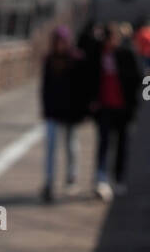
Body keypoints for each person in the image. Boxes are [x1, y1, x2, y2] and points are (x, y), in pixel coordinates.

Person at [90, 22, 141, 200]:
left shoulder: (127, 55)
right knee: (103, 144)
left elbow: (143, 76)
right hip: (104, 107)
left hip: (123, 108)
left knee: (121, 144)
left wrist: (149, 97)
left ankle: (118, 179)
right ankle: (101, 180)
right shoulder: (97, 55)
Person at [40, 26, 85, 203]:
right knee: (51, 146)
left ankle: (71, 177)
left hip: (70, 110)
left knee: (71, 144)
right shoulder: (49, 60)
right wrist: (44, 107)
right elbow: (45, 87)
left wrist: (82, 109)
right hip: (52, 110)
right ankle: (49, 182)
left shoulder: (75, 59)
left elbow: (81, 87)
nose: (59, 44)